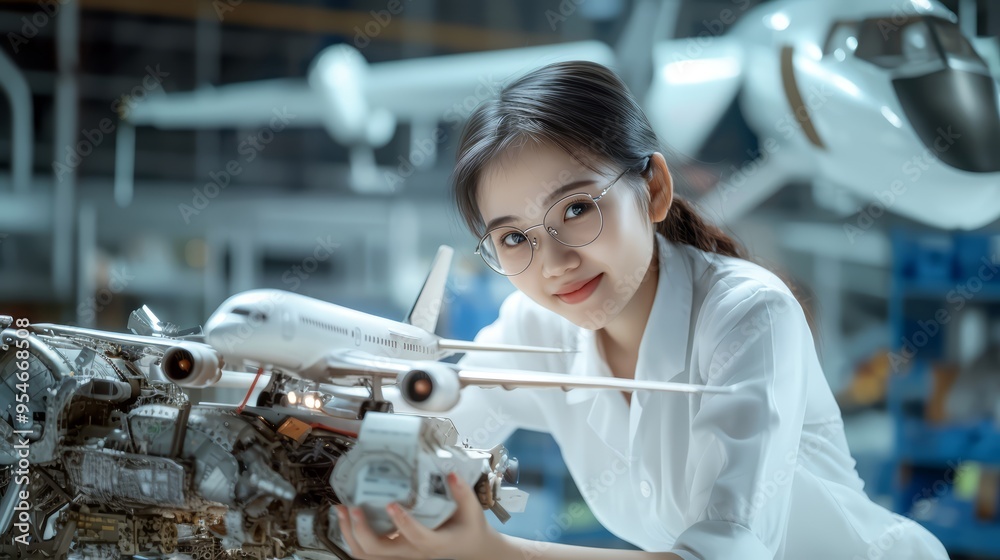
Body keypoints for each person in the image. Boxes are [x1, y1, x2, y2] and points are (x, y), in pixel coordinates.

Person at [335, 61, 950, 560]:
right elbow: (431, 437)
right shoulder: (536, 328)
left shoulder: (748, 314)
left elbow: (724, 552)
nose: (553, 264)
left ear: (653, 189)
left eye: (576, 209)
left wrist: (495, 554)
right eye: (515, 238)